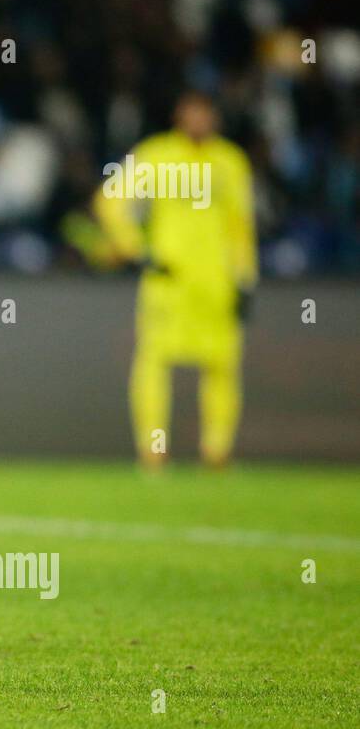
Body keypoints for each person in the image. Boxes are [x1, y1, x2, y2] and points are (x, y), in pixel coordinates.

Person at [93, 91, 258, 469]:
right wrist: (135, 247)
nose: (199, 120)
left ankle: (217, 451)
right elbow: (110, 199)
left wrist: (246, 277)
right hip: (168, 275)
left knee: (223, 363)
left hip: (218, 279)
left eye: (205, 113)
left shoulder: (231, 161)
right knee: (155, 359)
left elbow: (241, 225)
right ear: (179, 115)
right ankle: (153, 449)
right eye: (192, 112)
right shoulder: (155, 155)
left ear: (214, 117)